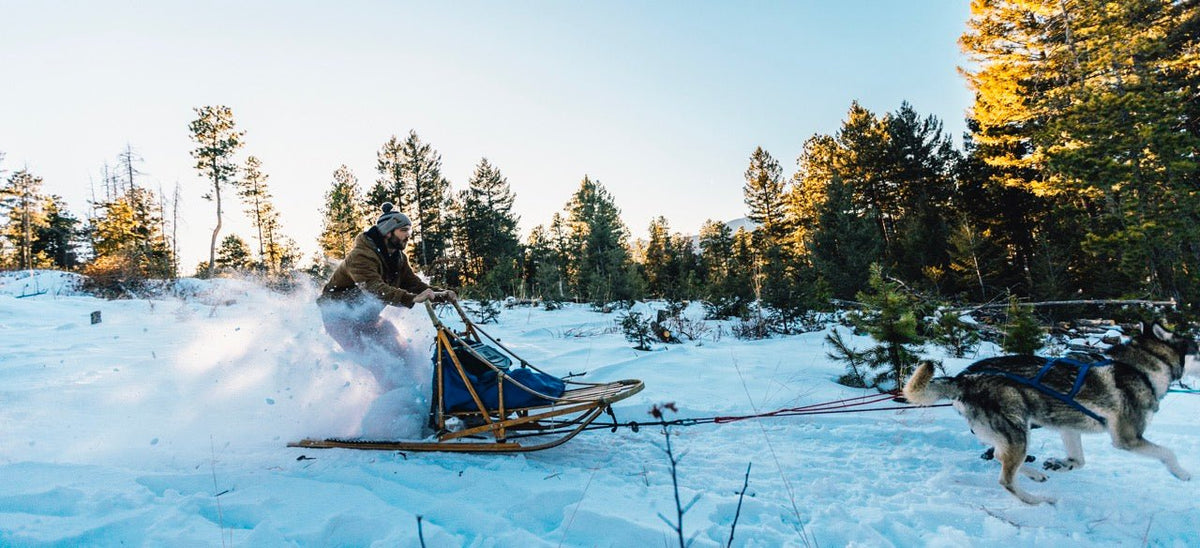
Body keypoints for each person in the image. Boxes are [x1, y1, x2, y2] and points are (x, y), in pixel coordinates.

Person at [317, 202, 457, 366]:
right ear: (387, 232)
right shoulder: (361, 256)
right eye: (403, 230)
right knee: (379, 362)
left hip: (367, 318)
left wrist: (441, 294)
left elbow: (413, 284)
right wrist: (410, 299)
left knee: (404, 353)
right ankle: (393, 390)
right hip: (339, 319)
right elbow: (373, 288)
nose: (408, 235)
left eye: (409, 230)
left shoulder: (398, 258)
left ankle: (420, 386)